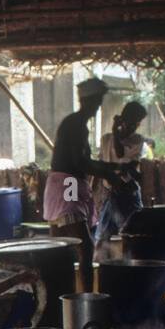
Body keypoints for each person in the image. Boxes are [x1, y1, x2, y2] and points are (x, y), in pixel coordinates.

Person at [43, 78, 122, 290]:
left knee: (62, 248)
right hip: (67, 185)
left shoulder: (76, 124)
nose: (99, 105)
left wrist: (114, 168)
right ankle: (85, 298)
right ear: (87, 100)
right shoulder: (76, 125)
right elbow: (79, 163)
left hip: (64, 184)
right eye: (97, 100)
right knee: (84, 247)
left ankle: (62, 295)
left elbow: (84, 161)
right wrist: (109, 174)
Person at [93, 101, 154, 246]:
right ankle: (103, 259)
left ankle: (133, 258)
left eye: (137, 123)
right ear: (123, 119)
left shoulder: (138, 140)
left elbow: (121, 156)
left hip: (128, 194)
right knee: (102, 237)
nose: (135, 126)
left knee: (135, 234)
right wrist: (93, 188)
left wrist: (115, 131)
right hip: (110, 193)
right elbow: (100, 165)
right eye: (132, 122)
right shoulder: (106, 139)